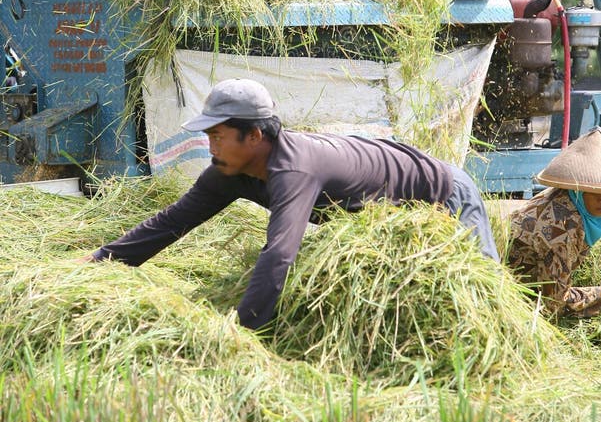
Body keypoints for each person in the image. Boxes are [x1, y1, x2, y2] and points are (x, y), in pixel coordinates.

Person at [85, 78, 499, 330]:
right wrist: (102, 259)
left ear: (254, 136)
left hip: (443, 194)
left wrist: (240, 332)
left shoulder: (292, 169)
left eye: (217, 135)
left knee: (485, 298)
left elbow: (280, 253)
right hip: (390, 210)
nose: (209, 145)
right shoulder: (230, 169)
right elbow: (174, 220)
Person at [508, 127, 601, 318]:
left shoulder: (569, 198)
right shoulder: (564, 227)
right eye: (597, 195)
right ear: (581, 190)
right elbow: (552, 304)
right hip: (516, 289)